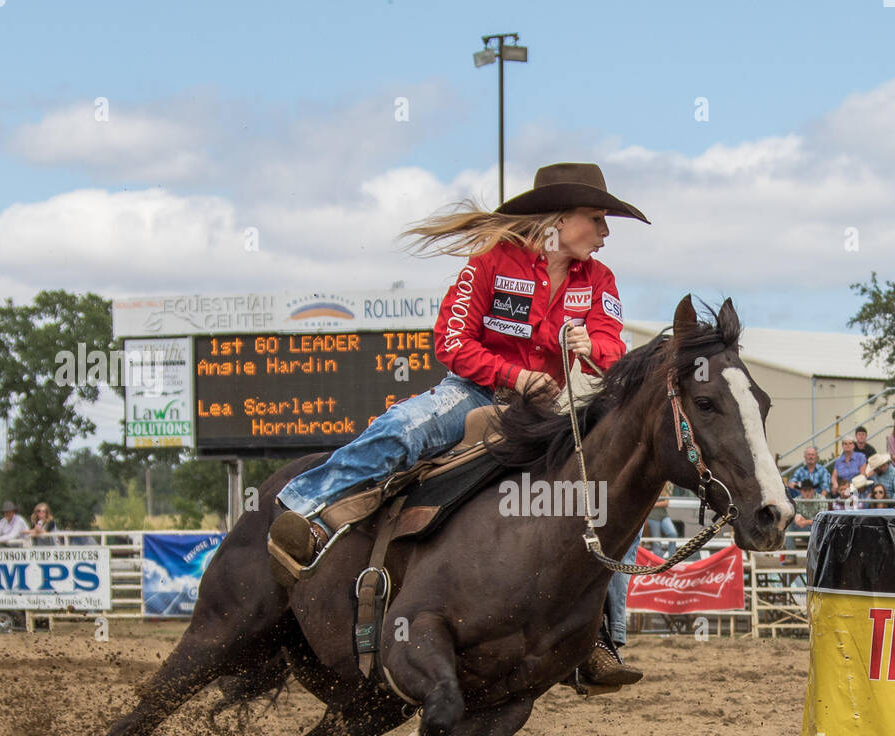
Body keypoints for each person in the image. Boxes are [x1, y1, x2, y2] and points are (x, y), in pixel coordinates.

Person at [269, 162, 650, 686]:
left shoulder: (599, 280)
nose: (605, 233)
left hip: (554, 411)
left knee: (612, 495)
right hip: (477, 394)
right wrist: (515, 376)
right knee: (406, 429)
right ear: (558, 220)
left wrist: (595, 349)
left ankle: (600, 640)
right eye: (597, 218)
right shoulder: (492, 262)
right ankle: (304, 508)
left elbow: (613, 346)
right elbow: (452, 341)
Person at [646, 483, 678, 558]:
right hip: (652, 517)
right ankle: (658, 560)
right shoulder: (652, 487)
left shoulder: (666, 486)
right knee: (656, 540)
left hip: (663, 515)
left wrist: (654, 504)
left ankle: (672, 557)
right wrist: (659, 503)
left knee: (673, 534)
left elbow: (666, 503)